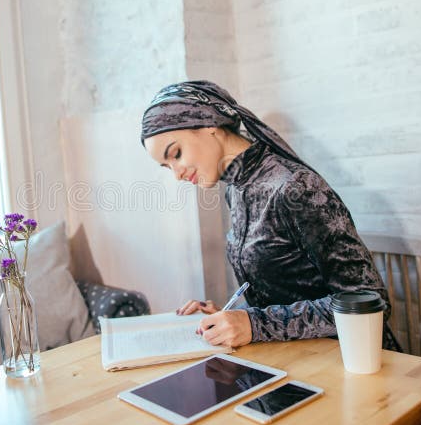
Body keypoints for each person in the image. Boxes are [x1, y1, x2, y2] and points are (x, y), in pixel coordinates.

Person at [141, 80, 398, 351]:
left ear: (209, 124)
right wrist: (225, 318)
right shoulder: (236, 192)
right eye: (166, 166)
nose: (177, 173)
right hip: (293, 360)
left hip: (352, 362)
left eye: (176, 154)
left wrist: (253, 324)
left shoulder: (295, 187)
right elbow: (281, 291)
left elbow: (370, 300)